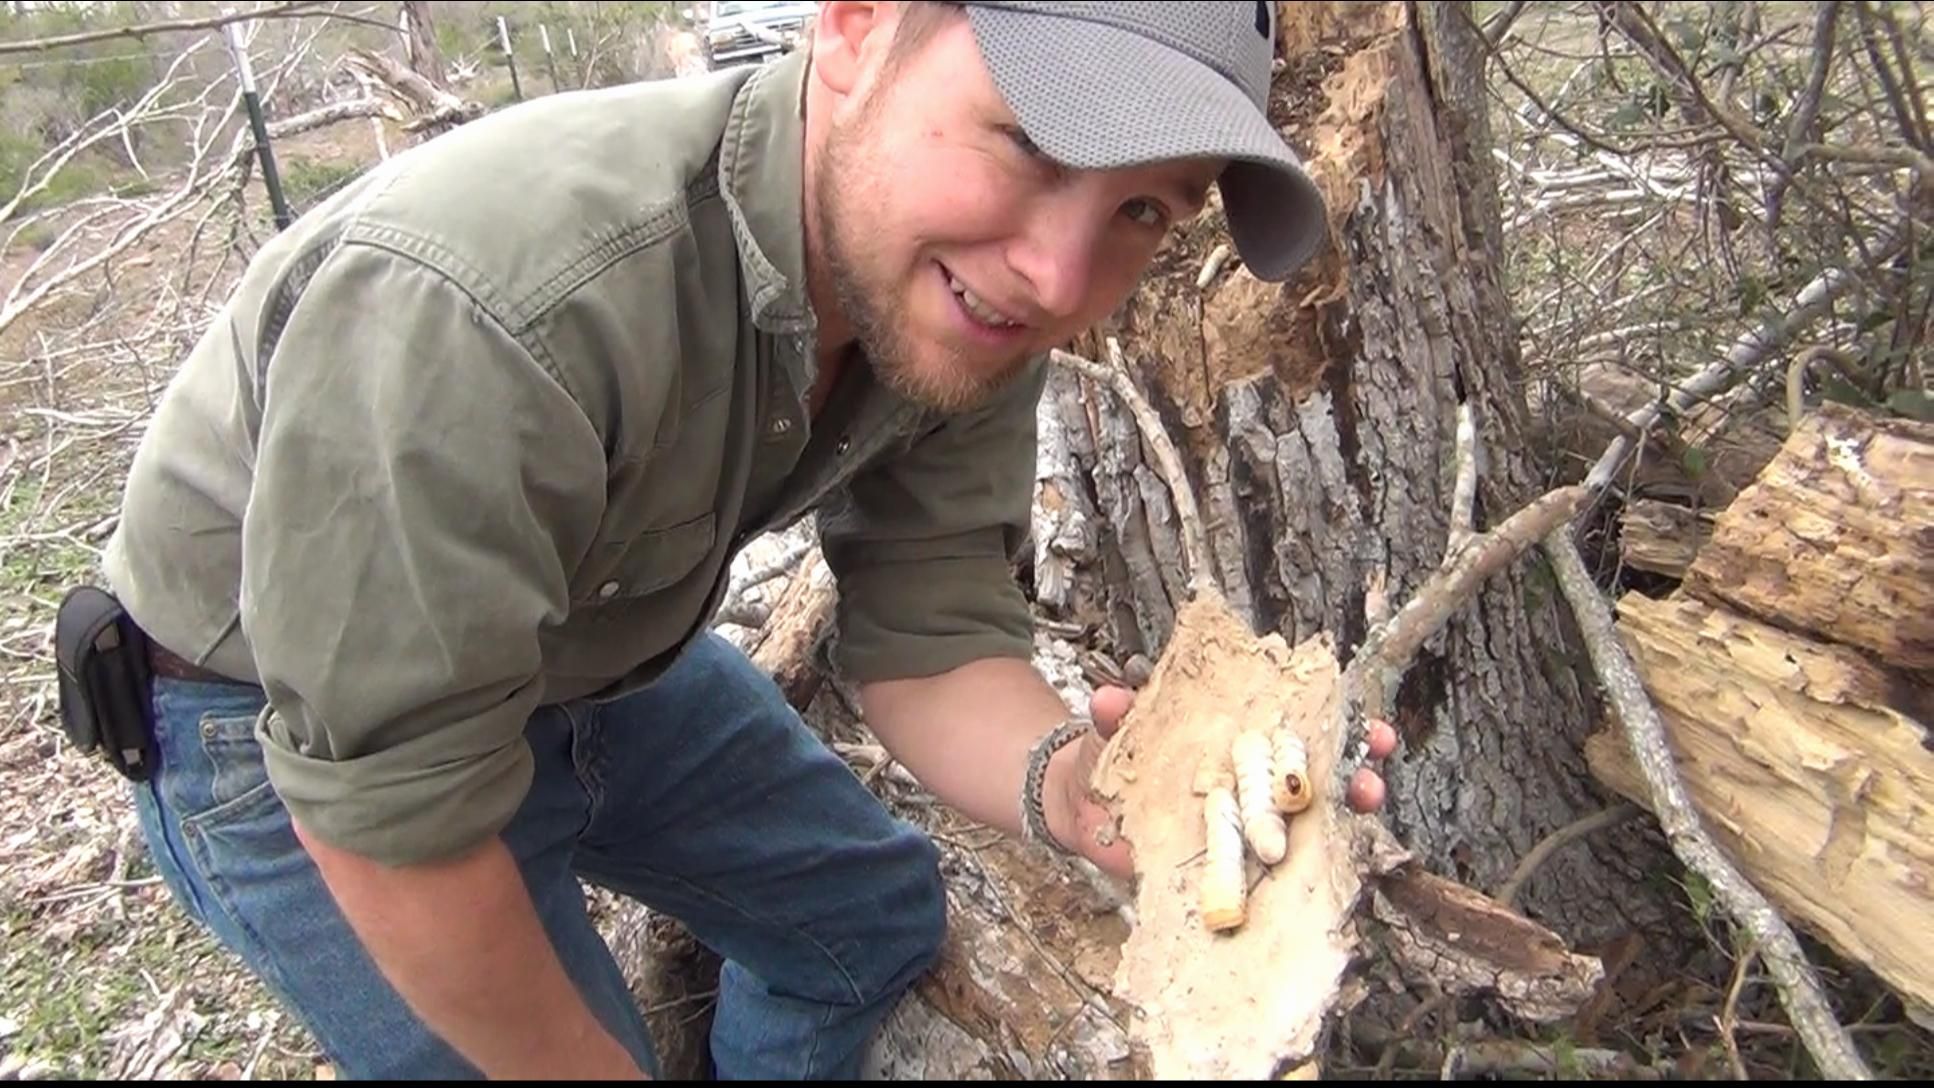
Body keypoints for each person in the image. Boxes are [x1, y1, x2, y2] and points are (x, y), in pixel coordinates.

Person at [95, 1, 1398, 1079]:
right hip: (282, 719)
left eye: (1143, 212)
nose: (1058, 277)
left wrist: (1081, 786)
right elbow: (391, 812)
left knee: (863, 922)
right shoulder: (496, 304)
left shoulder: (962, 295)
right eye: (1030, 142)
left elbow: (932, 622)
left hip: (588, 638)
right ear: (856, 26)